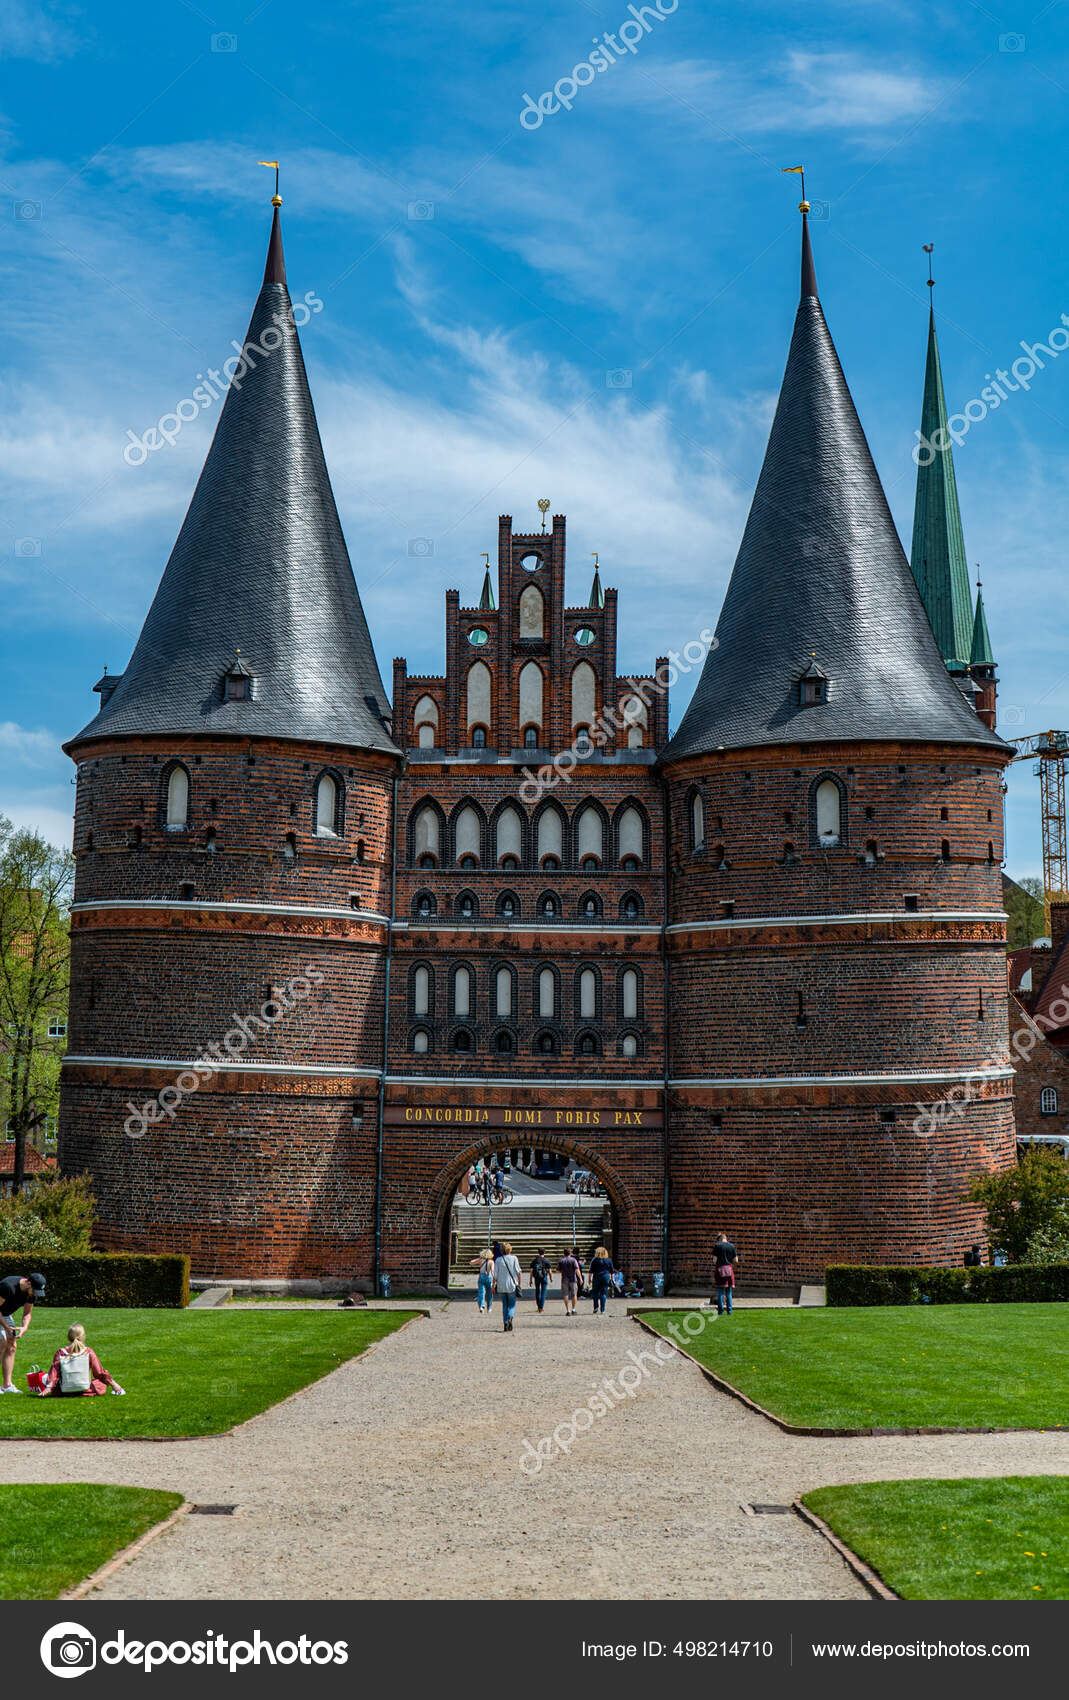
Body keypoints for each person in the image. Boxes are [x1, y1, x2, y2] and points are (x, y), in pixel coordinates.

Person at [39, 1324, 125, 1397]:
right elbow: (99, 1373)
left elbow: (54, 1372)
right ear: (83, 1337)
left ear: (68, 1337)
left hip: (65, 1390)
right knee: (100, 1384)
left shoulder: (61, 1352)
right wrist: (114, 1384)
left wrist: (48, 1387)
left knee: (50, 1380)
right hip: (85, 1389)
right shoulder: (88, 1352)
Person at [0, 1271, 45, 1393]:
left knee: (12, 1346)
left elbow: (27, 1313)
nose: (35, 1295)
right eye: (34, 1291)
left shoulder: (31, 1292)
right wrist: (6, 1327)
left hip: (5, 1314)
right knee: (2, 1342)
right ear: (28, 1283)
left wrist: (24, 1327)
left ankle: (7, 1385)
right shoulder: (8, 1287)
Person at [493, 1240, 522, 1332]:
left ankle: (505, 1322)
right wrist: (519, 1284)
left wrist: (493, 1286)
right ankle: (510, 1317)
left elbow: (495, 1275)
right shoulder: (514, 1258)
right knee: (512, 1305)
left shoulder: (498, 1260)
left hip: (501, 1286)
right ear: (510, 1250)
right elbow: (518, 1272)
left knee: (504, 1305)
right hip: (511, 1285)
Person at [713, 1231, 738, 1316]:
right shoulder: (732, 1246)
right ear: (725, 1238)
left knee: (720, 1291)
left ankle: (720, 1312)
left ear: (719, 1239)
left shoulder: (717, 1246)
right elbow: (736, 1260)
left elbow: (714, 1260)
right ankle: (729, 1311)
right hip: (729, 1269)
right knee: (729, 1292)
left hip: (720, 1269)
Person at [589, 1246, 615, 1315]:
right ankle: (602, 1309)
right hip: (606, 1277)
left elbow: (591, 1271)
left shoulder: (594, 1260)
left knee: (595, 1293)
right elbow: (612, 1271)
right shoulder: (608, 1260)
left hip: (597, 1277)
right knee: (603, 1293)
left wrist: (589, 1279)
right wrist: (612, 1279)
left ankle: (596, 1307)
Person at [470, 1248, 495, 1314]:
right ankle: (489, 1308)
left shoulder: (481, 1260)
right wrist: (495, 1279)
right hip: (489, 1277)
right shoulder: (491, 1262)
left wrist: (479, 1258)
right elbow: (492, 1271)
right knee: (490, 1294)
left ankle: (482, 1305)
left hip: (481, 1276)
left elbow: (471, 1262)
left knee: (481, 1292)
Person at [557, 1248, 581, 1316]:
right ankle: (573, 1309)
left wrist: (563, 1271)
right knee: (574, 1294)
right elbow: (577, 1270)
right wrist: (581, 1278)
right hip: (573, 1279)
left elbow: (558, 1270)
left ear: (564, 1253)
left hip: (564, 1279)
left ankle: (568, 1310)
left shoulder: (561, 1260)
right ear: (570, 1253)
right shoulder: (573, 1260)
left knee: (565, 1295)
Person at [529, 1248, 551, 1313]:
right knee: (543, 1292)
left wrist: (530, 1280)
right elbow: (549, 1270)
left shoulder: (535, 1260)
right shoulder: (546, 1260)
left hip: (537, 1277)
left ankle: (539, 1306)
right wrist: (551, 1277)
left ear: (538, 1253)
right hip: (544, 1276)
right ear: (544, 1253)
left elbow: (531, 1271)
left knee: (537, 1291)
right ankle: (541, 1307)